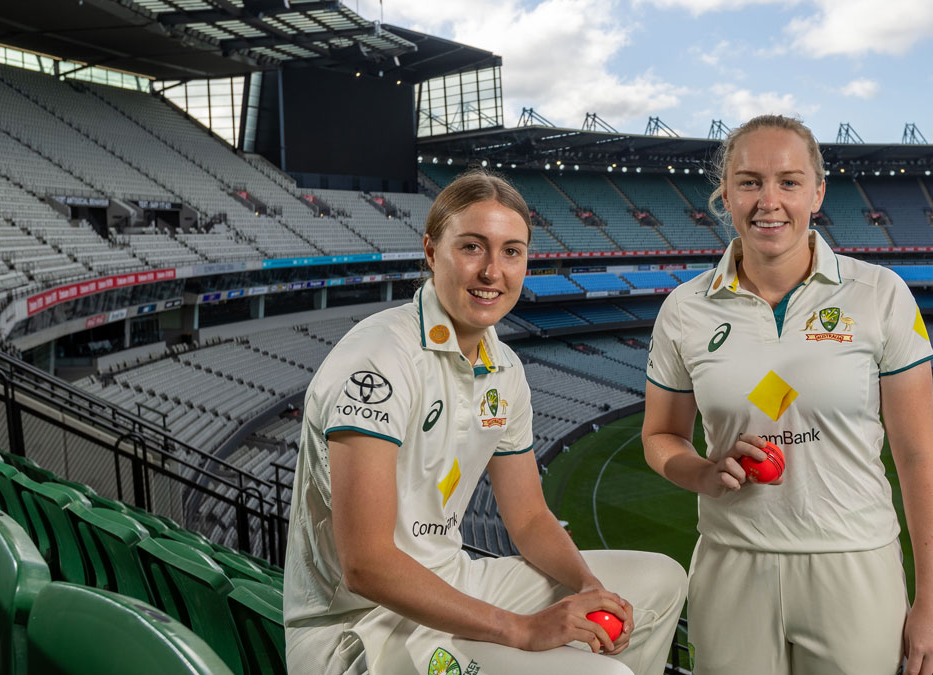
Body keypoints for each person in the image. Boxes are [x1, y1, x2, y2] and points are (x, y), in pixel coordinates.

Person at [283, 171, 687, 675]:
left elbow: (530, 520)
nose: (493, 271)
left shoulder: (505, 368)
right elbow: (365, 565)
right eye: (473, 247)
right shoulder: (380, 358)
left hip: (454, 582)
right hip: (359, 626)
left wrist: (589, 587)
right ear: (431, 252)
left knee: (660, 580)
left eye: (512, 251)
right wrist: (521, 630)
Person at [642, 115, 933, 675]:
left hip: (855, 564)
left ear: (817, 192)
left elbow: (918, 454)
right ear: (726, 194)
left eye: (788, 181)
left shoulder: (880, 294)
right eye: (749, 181)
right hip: (731, 562)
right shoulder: (684, 309)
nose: (769, 201)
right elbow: (660, 436)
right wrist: (702, 472)